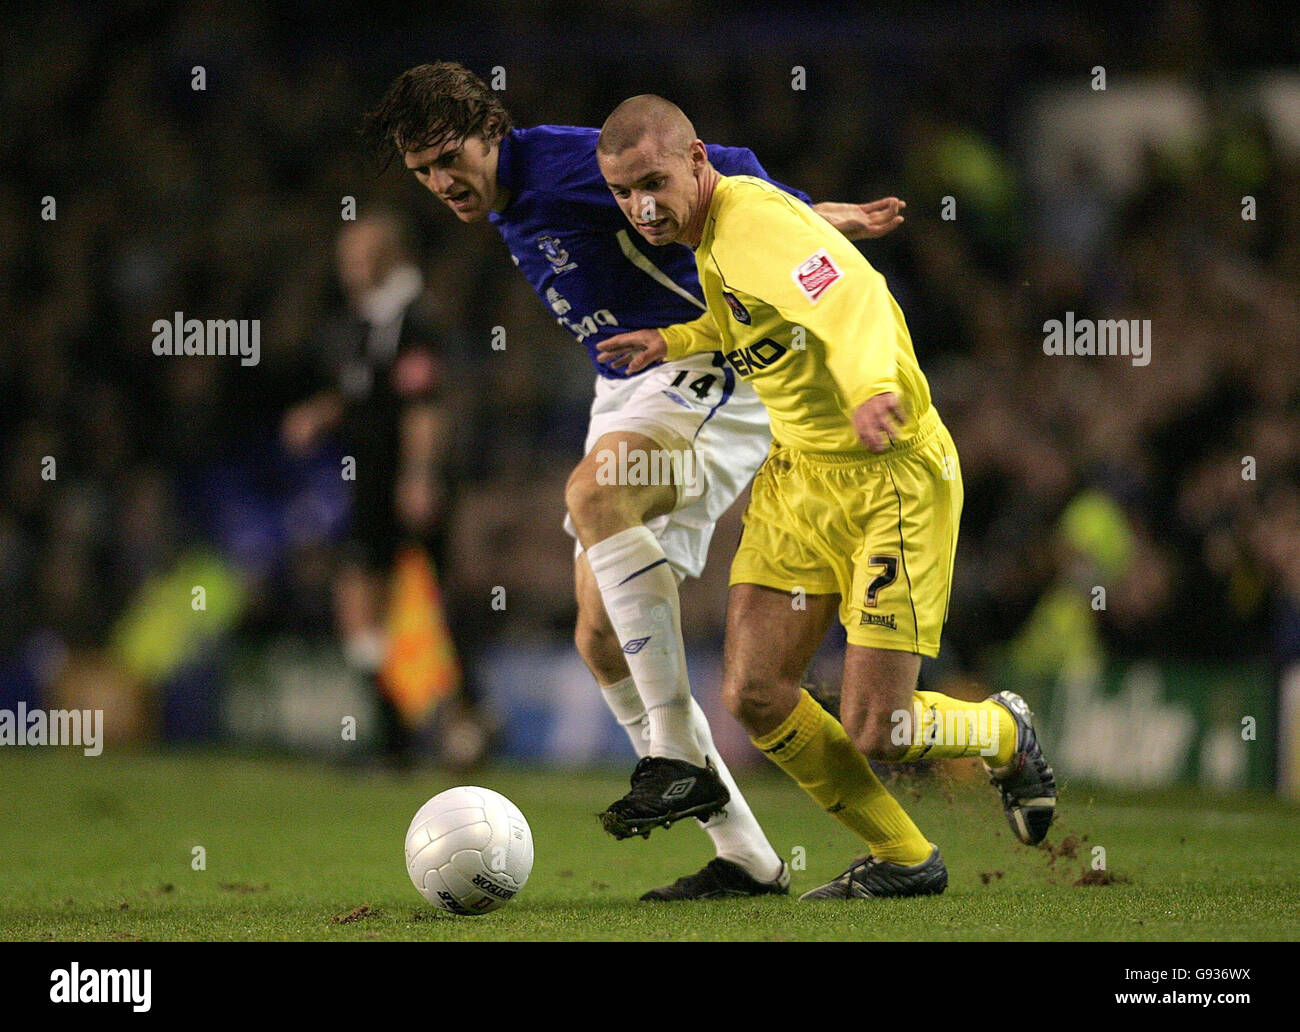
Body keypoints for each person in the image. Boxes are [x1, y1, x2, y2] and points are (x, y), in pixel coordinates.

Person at [364, 62, 905, 901]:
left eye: (449, 159)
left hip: (700, 365)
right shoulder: (510, 200)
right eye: (424, 173)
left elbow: (721, 167)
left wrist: (812, 217)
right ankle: (748, 859)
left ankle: (671, 758)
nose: (442, 182)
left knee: (593, 494)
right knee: (598, 636)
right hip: (625, 387)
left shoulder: (563, 164)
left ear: (489, 130)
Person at [596, 95, 1056, 899]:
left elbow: (855, 297)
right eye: (623, 192)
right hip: (798, 479)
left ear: (697, 158)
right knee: (754, 692)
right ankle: (908, 859)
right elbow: (749, 318)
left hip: (890, 480)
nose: (642, 207)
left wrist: (874, 386)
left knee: (883, 727)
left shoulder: (751, 225)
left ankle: (1002, 731)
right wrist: (674, 339)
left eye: (654, 182)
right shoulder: (712, 233)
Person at [282, 214, 485, 768]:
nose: (346, 268)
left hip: (404, 482)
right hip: (369, 480)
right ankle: (399, 732)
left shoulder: (417, 319)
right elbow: (365, 392)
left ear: (386, 256)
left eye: (356, 256)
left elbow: (425, 406)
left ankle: (463, 722)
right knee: (364, 602)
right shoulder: (368, 322)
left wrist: (419, 476)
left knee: (426, 604)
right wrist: (319, 415)